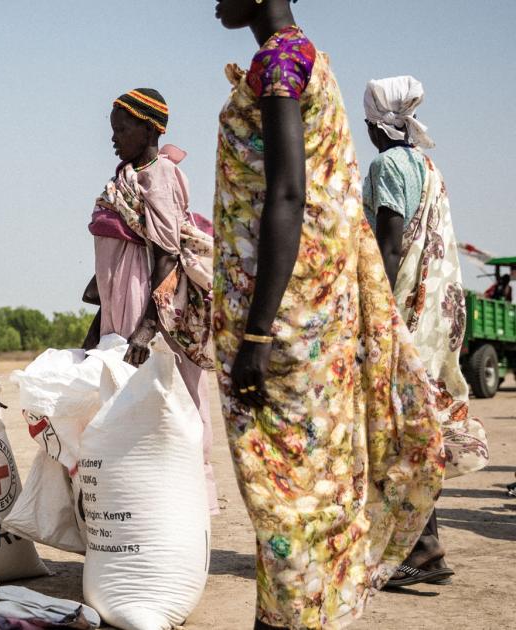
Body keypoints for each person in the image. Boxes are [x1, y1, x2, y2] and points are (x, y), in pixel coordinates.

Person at [211, 1, 445, 628]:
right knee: (311, 490)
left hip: (286, 326)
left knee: (288, 498)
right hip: (310, 320)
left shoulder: (282, 60)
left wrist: (258, 332)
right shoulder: (305, 58)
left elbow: (290, 193)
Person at [363, 75, 491, 588]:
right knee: (415, 430)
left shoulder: (388, 164)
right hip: (436, 319)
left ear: (377, 122)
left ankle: (422, 550)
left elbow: (391, 246)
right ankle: (424, 549)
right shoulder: (427, 166)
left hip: (404, 314)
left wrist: (378, 315)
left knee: (396, 432)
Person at [82, 89, 219, 516]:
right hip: (122, 298)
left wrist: (148, 325)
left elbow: (165, 252)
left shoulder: (159, 173)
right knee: (127, 398)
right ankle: (139, 502)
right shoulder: (131, 172)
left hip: (146, 301)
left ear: (149, 129)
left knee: (159, 396)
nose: (114, 138)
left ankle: (171, 503)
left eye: (121, 129)